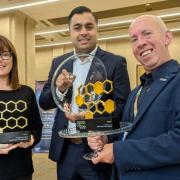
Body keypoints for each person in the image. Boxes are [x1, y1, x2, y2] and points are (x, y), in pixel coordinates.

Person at [39, 6, 130, 180]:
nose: (83, 32)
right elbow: (44, 102)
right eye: (77, 27)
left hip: (97, 148)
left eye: (89, 27)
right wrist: (60, 89)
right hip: (65, 150)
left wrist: (89, 117)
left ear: (96, 29)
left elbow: (122, 108)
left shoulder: (115, 62)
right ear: (70, 32)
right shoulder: (59, 63)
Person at [88, 15, 180, 180]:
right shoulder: (136, 92)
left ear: (167, 37)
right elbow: (128, 133)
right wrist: (106, 139)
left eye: (147, 34)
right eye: (134, 39)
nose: (140, 42)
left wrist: (118, 151)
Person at [0, 35, 43, 180]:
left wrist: (32, 138)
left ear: (13, 58)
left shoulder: (26, 92)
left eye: (5, 54)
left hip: (22, 170)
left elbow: (37, 127)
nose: (0, 60)